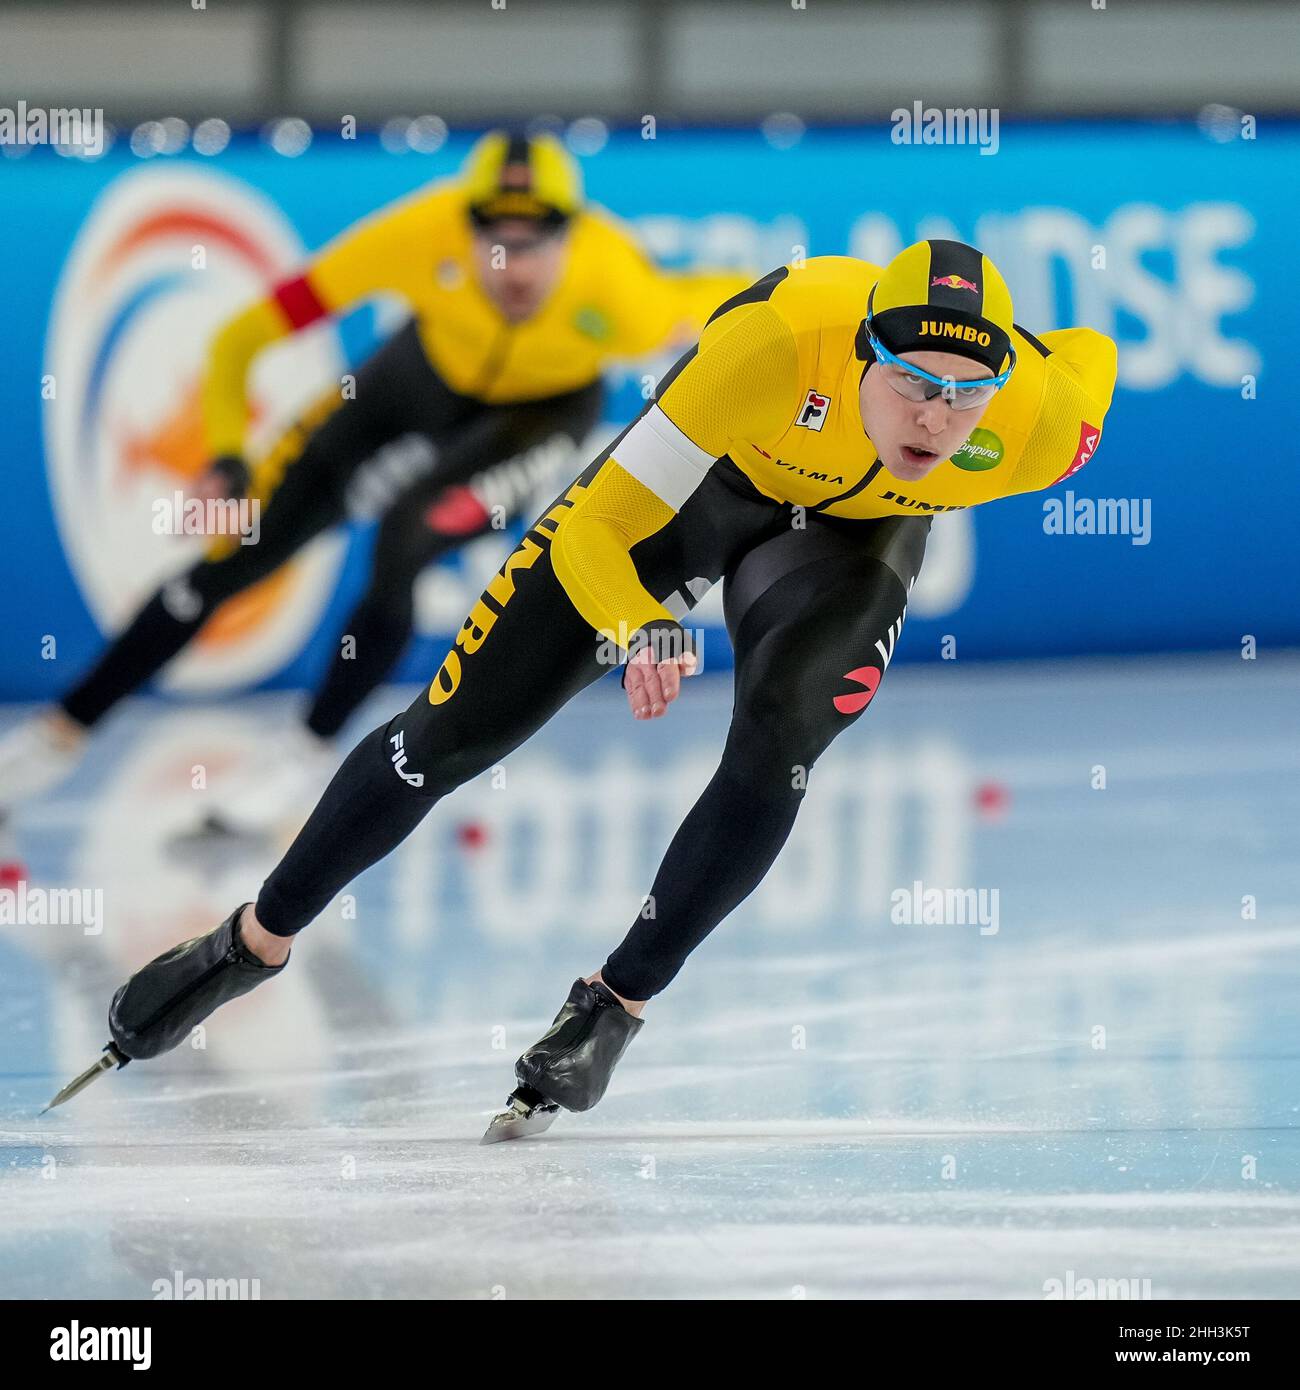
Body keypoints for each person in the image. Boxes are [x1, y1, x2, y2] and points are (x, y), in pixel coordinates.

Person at [83, 240, 1119, 1137]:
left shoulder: (1029, 426)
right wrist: (638, 622)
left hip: (856, 536)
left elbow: (1090, 356)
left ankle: (613, 1003)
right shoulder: (768, 349)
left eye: (960, 393)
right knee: (446, 735)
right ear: (860, 352)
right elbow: (595, 530)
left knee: (782, 735)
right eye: (909, 383)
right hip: (704, 488)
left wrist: (982, 399)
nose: (936, 419)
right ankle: (251, 939)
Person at [0, 129, 749, 827]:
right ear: (465, 230)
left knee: (406, 539)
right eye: (495, 239)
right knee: (240, 551)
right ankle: (57, 734)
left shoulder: (622, 293)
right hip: (416, 378)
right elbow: (241, 339)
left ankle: (305, 754)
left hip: (539, 414)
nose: (513, 265)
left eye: (535, 243)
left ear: (572, 235)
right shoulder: (416, 235)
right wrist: (228, 455)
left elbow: (743, 304)